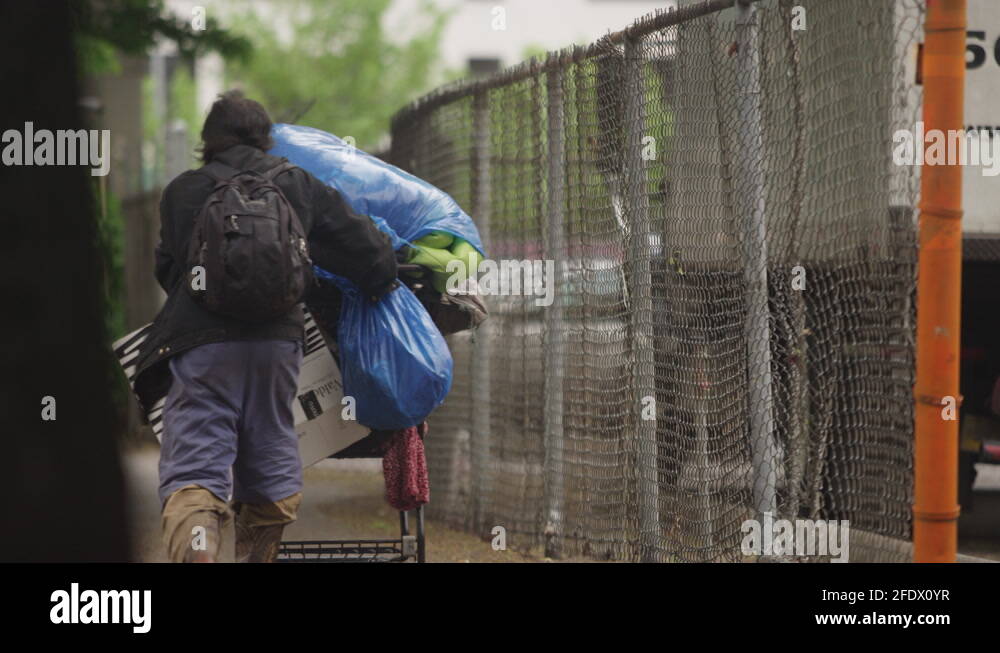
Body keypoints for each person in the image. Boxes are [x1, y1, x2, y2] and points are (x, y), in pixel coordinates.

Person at [143, 90, 397, 562]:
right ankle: (257, 551)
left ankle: (200, 543)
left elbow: (170, 271)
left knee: (197, 454)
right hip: (277, 343)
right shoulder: (296, 183)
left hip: (202, 344)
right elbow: (370, 253)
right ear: (267, 138)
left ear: (208, 141)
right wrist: (377, 279)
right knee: (272, 439)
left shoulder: (183, 190)